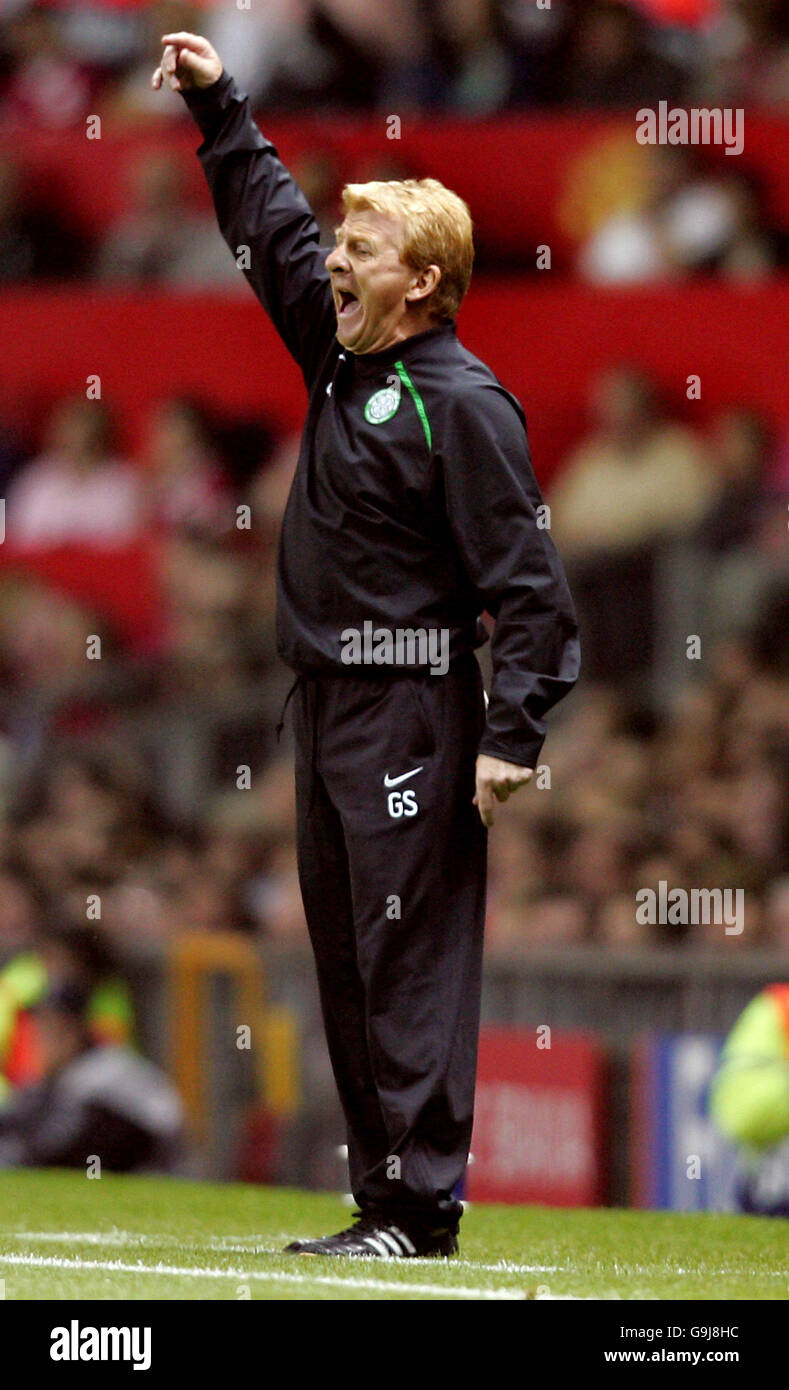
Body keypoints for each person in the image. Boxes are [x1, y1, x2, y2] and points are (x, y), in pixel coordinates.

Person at [152, 32, 579, 1259]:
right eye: (341, 244)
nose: (333, 259)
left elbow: (533, 583)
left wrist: (513, 733)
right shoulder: (342, 358)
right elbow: (271, 225)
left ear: (424, 284)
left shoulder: (467, 404)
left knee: (408, 961)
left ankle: (421, 1209)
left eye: (362, 247)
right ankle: (386, 1206)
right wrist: (220, 102)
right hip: (328, 700)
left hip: (412, 706)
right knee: (348, 959)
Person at [0, 982, 186, 1175]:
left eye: (51, 1030)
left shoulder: (109, 1069)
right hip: (107, 1165)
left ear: (72, 1032)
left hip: (153, 1173)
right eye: (39, 1030)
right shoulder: (60, 1075)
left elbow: (58, 1146)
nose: (40, 1041)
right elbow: (17, 1118)